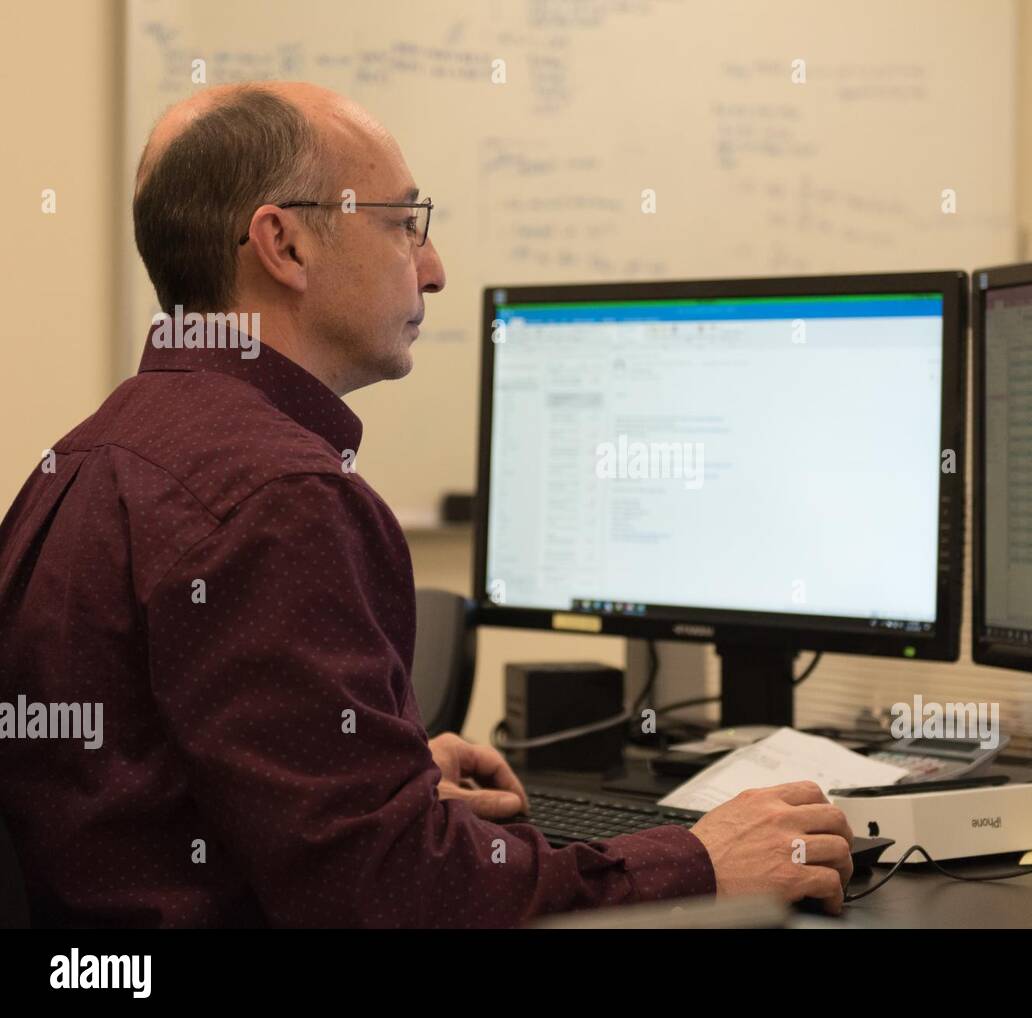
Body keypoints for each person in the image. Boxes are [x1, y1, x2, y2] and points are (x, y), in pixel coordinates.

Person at [0, 82, 852, 927]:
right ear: (285, 245)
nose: (434, 269)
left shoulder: (85, 455)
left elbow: (142, 783)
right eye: (405, 223)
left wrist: (381, 773)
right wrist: (700, 863)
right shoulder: (284, 497)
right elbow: (400, 899)